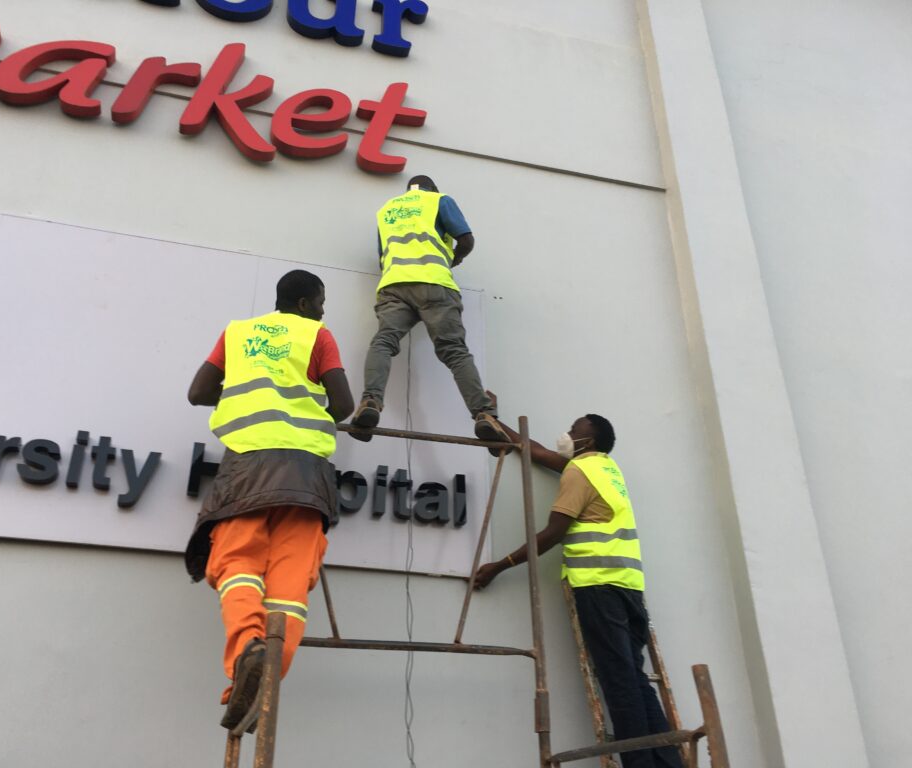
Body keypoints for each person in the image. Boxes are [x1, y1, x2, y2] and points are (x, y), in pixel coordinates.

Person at [184, 269, 354, 731]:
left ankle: (245, 654)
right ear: (303, 303)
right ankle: (263, 685)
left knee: (236, 564)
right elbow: (344, 406)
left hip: (247, 471)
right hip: (306, 477)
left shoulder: (236, 334)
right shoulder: (317, 334)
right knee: (289, 589)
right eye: (320, 301)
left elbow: (198, 393)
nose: (322, 309)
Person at [474, 411, 683, 768]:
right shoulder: (605, 470)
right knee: (634, 677)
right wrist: (494, 420)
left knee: (619, 681)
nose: (567, 434)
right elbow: (535, 451)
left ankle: (641, 764)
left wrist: (500, 565)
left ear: (590, 441)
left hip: (598, 586)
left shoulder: (579, 472)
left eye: (574, 431)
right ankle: (667, 762)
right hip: (628, 587)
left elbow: (553, 533)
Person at [350, 175, 508, 449]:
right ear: (431, 188)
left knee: (384, 341)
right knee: (453, 350)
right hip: (434, 282)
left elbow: (382, 255)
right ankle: (484, 414)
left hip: (393, 283)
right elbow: (466, 240)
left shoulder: (387, 210)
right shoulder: (439, 200)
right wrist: (453, 259)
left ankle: (371, 400)